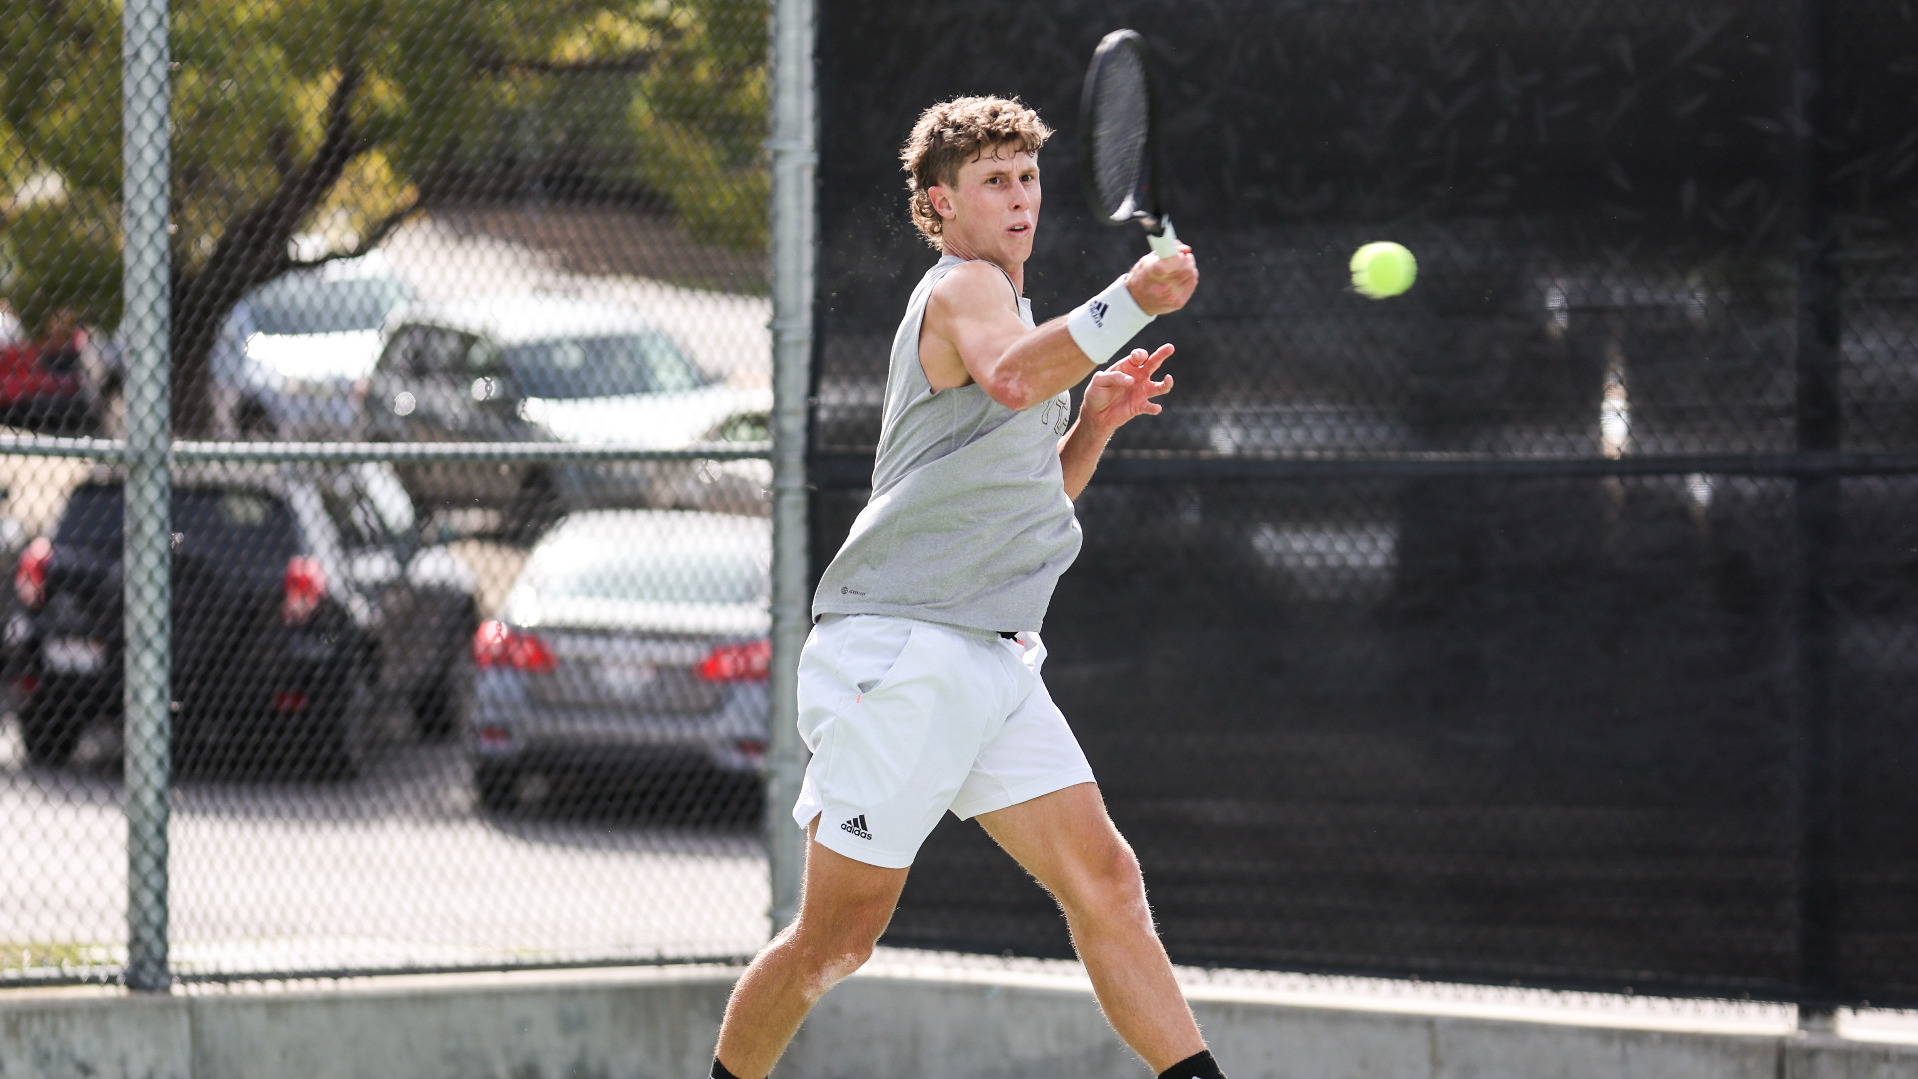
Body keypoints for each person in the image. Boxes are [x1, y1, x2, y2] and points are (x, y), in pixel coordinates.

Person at [710, 95, 1223, 1079]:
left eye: (1027, 176)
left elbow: (1027, 497)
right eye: (994, 180)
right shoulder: (961, 289)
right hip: (900, 651)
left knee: (1108, 882)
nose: (1020, 196)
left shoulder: (1020, 321)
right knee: (835, 942)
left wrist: (1092, 427)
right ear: (941, 204)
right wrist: (1132, 298)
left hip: (991, 655)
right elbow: (1016, 380)